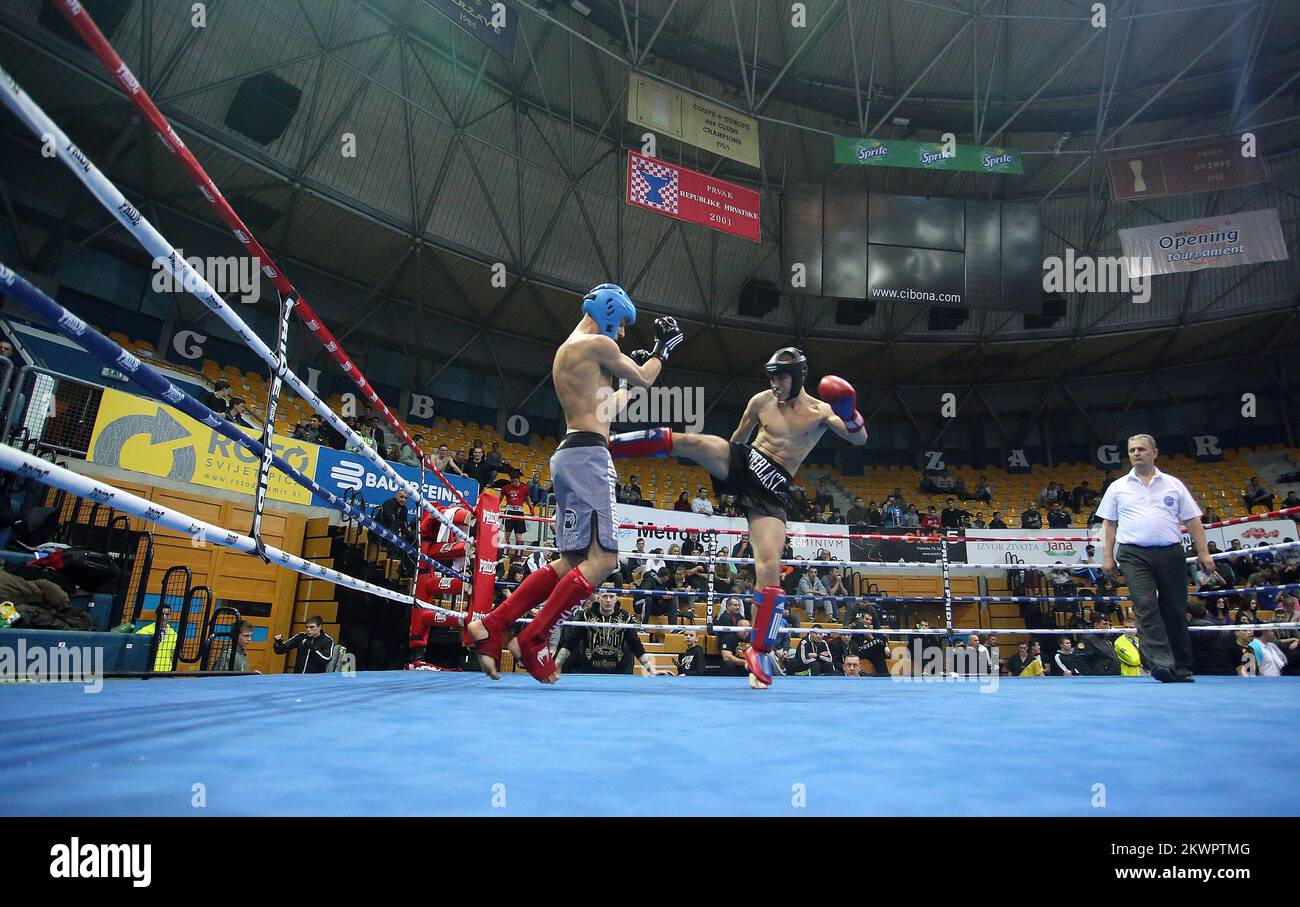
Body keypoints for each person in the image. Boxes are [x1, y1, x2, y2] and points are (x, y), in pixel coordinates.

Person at [610, 347, 867, 689]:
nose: (775, 383)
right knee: (696, 443)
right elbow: (739, 438)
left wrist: (850, 413)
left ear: (799, 376)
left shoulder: (821, 412)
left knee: (769, 569)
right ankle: (608, 444)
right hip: (745, 461)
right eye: (772, 376)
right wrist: (727, 478)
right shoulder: (761, 401)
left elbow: (859, 438)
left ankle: (760, 651)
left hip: (773, 489)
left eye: (782, 377)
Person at [461, 284, 679, 682]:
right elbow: (647, 378)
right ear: (611, 312)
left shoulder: (574, 349)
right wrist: (663, 351)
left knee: (574, 561)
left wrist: (628, 384)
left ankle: (492, 624)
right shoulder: (597, 343)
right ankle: (534, 637)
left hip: (572, 453)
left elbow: (609, 407)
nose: (625, 334)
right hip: (588, 458)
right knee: (605, 560)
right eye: (625, 324)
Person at [1098, 433, 1214, 683]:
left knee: (1174, 609)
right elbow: (1109, 524)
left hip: (1170, 551)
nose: (1136, 453)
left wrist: (1203, 552)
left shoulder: (1173, 484)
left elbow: (1193, 520)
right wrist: (1107, 557)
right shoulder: (1117, 487)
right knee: (1145, 605)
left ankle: (1182, 666)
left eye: (1141, 449)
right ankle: (1160, 663)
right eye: (1131, 450)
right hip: (1133, 553)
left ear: (1154, 453)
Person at [555, 585, 665, 675]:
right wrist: (555, 667)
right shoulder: (586, 616)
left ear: (616, 598)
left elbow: (636, 646)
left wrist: (652, 670)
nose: (608, 600)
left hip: (617, 674)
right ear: (598, 597)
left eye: (611, 596)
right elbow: (570, 643)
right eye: (605, 596)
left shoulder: (625, 617)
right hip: (590, 673)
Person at [499, 468, 530, 549]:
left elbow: (527, 498)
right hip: (509, 511)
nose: (513, 483)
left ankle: (518, 556)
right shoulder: (505, 488)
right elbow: (499, 499)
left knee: (519, 536)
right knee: (506, 534)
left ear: (519, 479)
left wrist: (531, 509)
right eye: (512, 481)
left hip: (520, 512)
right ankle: (504, 554)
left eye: (515, 481)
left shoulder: (524, 488)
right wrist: (496, 507)